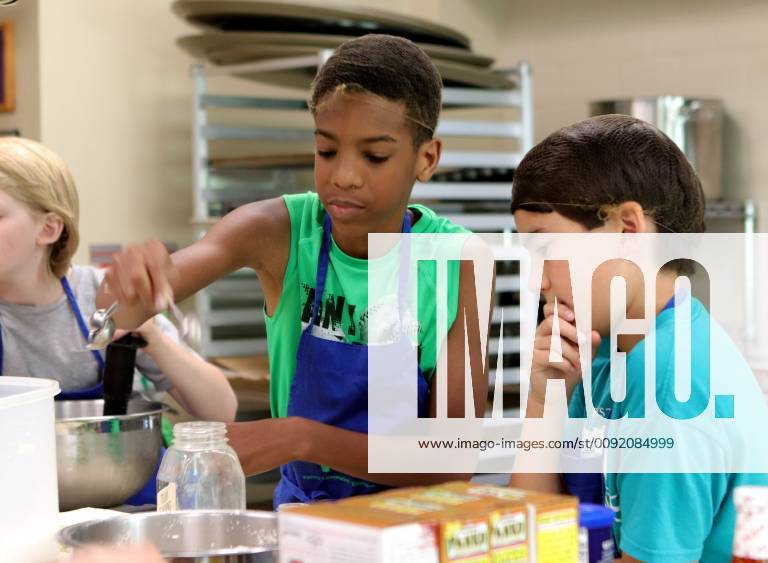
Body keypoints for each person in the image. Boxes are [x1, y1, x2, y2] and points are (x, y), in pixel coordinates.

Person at [99, 34, 491, 508]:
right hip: (302, 525)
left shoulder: (459, 263)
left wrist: (300, 438)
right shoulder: (278, 231)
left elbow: (449, 462)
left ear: (426, 158)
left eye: (374, 156)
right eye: (327, 151)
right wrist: (132, 286)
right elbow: (133, 301)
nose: (343, 175)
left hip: (409, 529)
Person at [508, 114, 768, 561]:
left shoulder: (672, 387)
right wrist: (545, 398)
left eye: (546, 250)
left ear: (627, 229)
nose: (536, 283)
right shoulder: (612, 349)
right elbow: (531, 530)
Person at [0, 137, 237, 422]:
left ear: (49, 229)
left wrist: (155, 340)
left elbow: (221, 411)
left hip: (120, 461)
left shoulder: (104, 297)